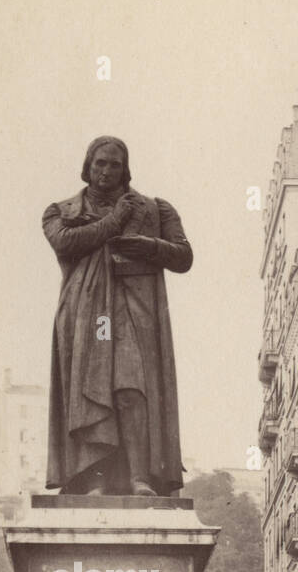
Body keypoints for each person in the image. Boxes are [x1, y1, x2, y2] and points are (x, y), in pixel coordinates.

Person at [42, 136, 192, 496]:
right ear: (87, 166)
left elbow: (183, 257)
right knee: (92, 388)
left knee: (130, 387)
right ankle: (94, 478)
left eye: (114, 164)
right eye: (99, 163)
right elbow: (66, 243)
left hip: (133, 311)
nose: (106, 171)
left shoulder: (157, 210)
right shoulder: (60, 211)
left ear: (125, 169)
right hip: (89, 314)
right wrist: (117, 219)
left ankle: (140, 477)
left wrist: (150, 246)